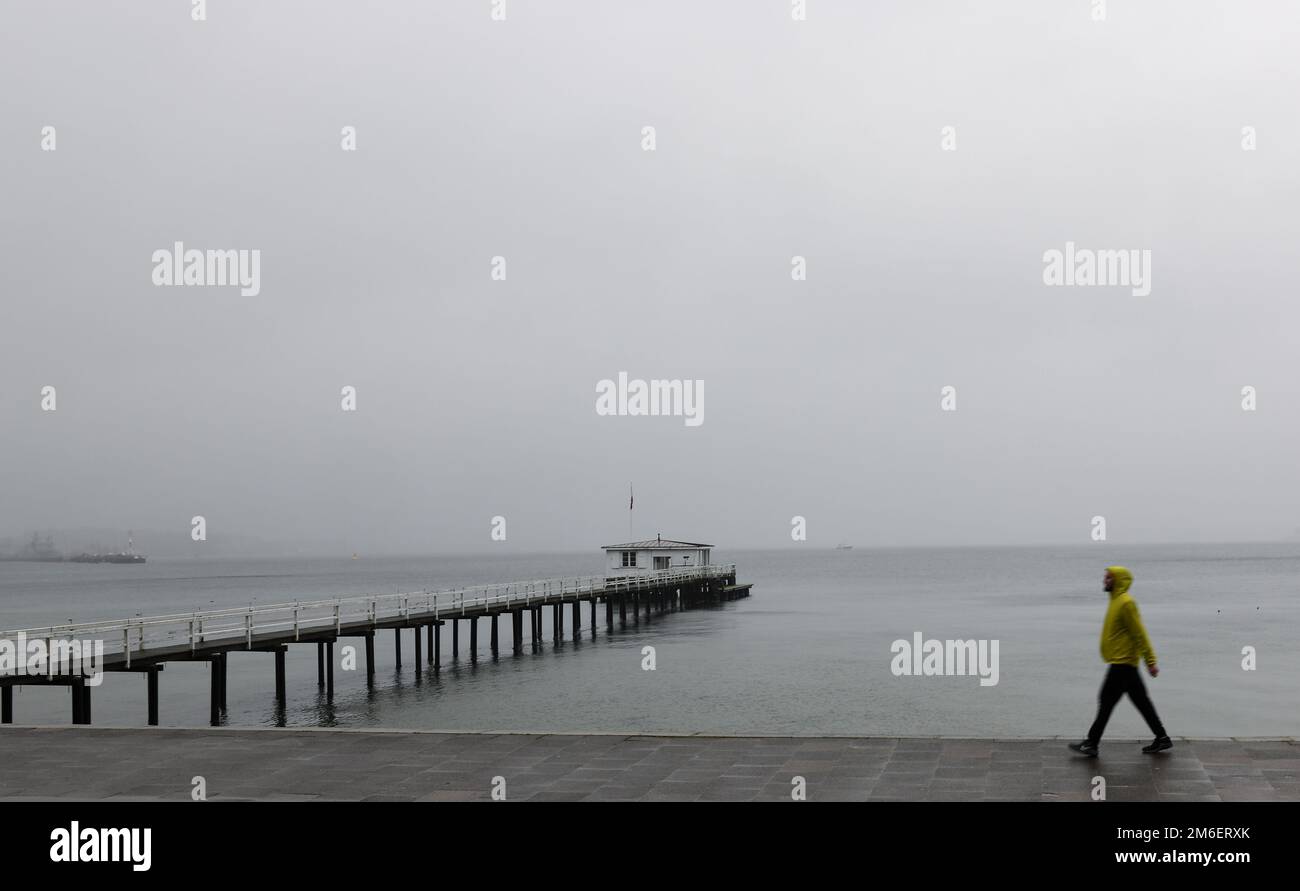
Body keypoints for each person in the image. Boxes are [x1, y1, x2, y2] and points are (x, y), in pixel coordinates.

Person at [1068, 566, 1172, 757]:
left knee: (1106, 701)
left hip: (1122, 664)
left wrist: (1150, 661)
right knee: (1141, 703)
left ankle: (1092, 743)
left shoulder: (1126, 603)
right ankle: (1162, 738)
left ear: (1118, 581)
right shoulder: (1116, 601)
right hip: (1123, 664)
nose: (1104, 581)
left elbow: (1139, 634)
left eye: (1108, 578)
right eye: (1105, 577)